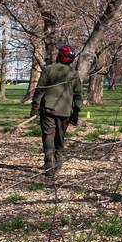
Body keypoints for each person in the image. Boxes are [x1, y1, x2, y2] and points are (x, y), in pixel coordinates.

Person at [33, 44, 83, 179]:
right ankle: (58, 163)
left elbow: (40, 90)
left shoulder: (48, 70)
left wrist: (35, 107)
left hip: (48, 110)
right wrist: (76, 113)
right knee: (60, 137)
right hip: (65, 112)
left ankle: (50, 166)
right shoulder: (73, 74)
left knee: (48, 137)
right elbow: (78, 96)